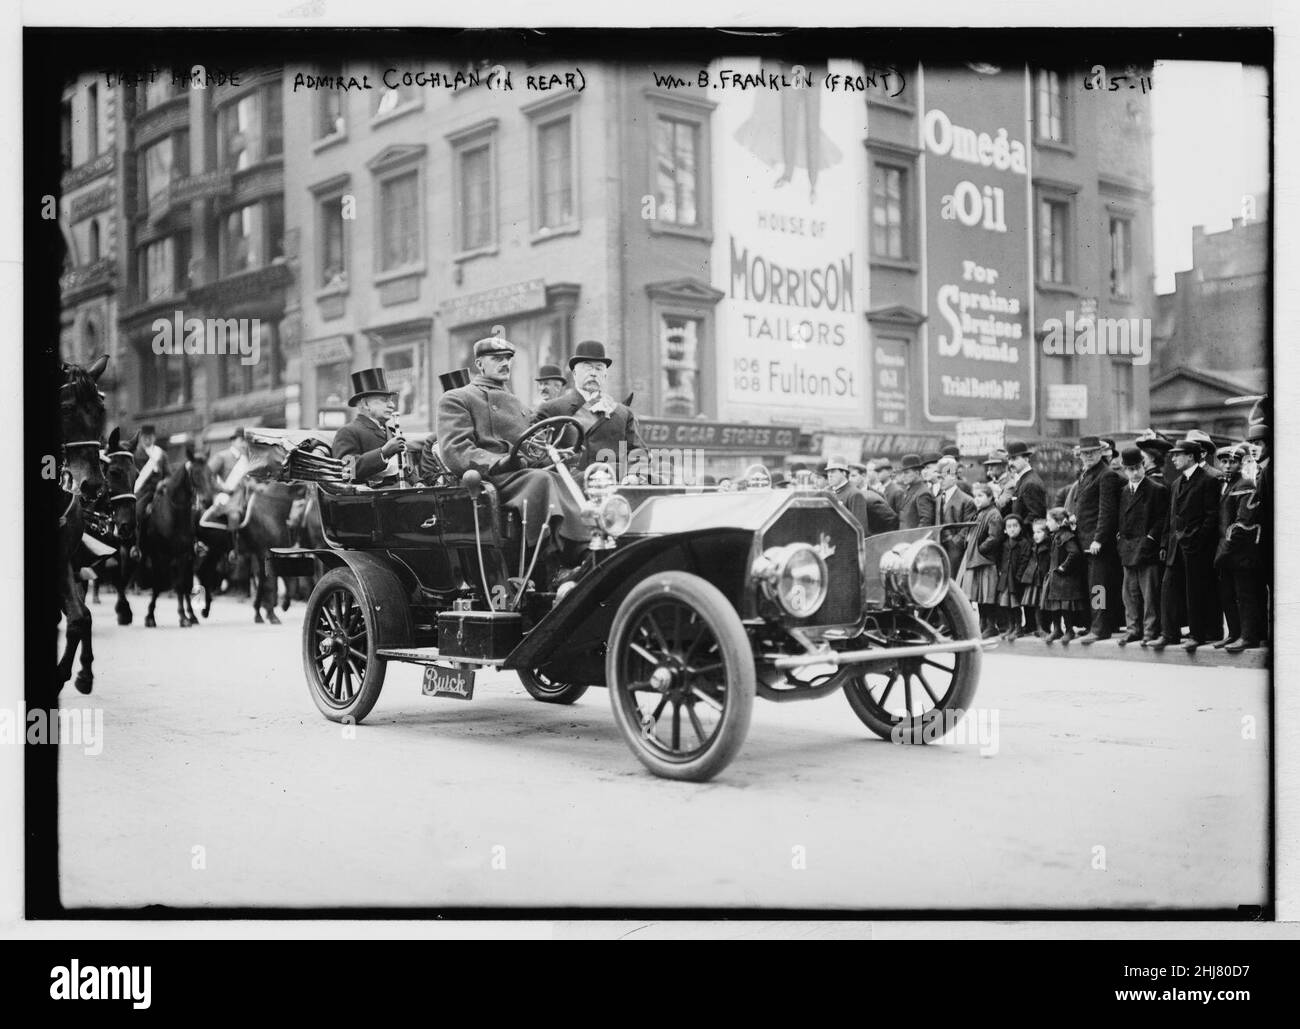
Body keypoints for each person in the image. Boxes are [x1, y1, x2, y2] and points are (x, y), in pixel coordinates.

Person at [438, 336, 590, 575]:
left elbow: (533, 449)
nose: (505, 363)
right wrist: (501, 461)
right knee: (540, 481)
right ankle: (553, 564)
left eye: (508, 358)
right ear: (480, 364)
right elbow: (455, 451)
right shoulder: (459, 398)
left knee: (578, 479)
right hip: (491, 479)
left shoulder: (519, 404)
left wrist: (558, 456)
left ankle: (587, 550)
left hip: (519, 475)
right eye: (497, 358)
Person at [534, 340, 646, 476]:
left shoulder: (623, 413)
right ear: (574, 374)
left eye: (599, 368)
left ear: (605, 376)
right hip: (568, 489)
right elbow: (535, 456)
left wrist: (633, 475)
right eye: (588, 368)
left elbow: (638, 454)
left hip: (613, 487)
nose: (593, 373)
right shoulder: (550, 409)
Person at [1151, 438, 1222, 651]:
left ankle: (1196, 635)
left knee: (1195, 591)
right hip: (1175, 546)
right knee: (1169, 589)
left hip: (1195, 548)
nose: (1173, 459)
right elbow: (1170, 518)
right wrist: (1164, 543)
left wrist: (1196, 540)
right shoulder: (1176, 483)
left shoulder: (1208, 480)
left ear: (1190, 456)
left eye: (1177, 454)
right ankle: (1169, 634)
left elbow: (1211, 517)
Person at [1073, 435, 1124, 643]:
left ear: (1101, 452)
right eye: (1085, 453)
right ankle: (1097, 624)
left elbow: (1107, 512)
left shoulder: (1105, 475)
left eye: (1092, 452)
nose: (1088, 456)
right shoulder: (1087, 474)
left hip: (1096, 543)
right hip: (1085, 539)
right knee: (1094, 584)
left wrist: (1099, 539)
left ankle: (1100, 628)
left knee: (1098, 586)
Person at [1116, 445, 1169, 646]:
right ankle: (1133, 629)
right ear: (1124, 469)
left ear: (1144, 466)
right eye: (1130, 469)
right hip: (1128, 548)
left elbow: (1162, 518)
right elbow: (1119, 519)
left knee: (1149, 594)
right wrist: (1119, 539)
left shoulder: (1157, 489)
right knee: (1129, 594)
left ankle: (1149, 630)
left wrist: (1151, 538)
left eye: (1137, 467)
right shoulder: (1122, 492)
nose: (1134, 472)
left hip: (1147, 549)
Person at [1213, 444, 1263, 652]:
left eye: (1232, 462)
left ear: (1240, 463)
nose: (1227, 466)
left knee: (1244, 595)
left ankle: (1248, 636)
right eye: (1224, 462)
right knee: (1227, 595)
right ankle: (1233, 633)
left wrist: (1224, 551)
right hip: (1225, 553)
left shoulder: (1245, 484)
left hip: (1240, 553)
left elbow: (1242, 524)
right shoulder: (1225, 485)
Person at [332, 368, 408, 485]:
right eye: (384, 400)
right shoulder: (347, 431)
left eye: (391, 401)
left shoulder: (393, 433)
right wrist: (383, 452)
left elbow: (404, 468)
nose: (392, 405)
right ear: (365, 404)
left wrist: (418, 482)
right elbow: (347, 470)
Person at [958, 483, 1004, 638]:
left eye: (981, 496)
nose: (977, 499)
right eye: (975, 496)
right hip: (975, 560)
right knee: (979, 595)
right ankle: (982, 624)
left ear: (990, 497)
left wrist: (980, 549)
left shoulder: (993, 514)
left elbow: (994, 537)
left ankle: (991, 625)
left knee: (987, 596)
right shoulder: (979, 513)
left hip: (985, 561)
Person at [1042, 506, 1086, 644]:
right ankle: (1057, 630)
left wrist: (1063, 567)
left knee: (1065, 606)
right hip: (1055, 577)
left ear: (1059, 522)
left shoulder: (1066, 536)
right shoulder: (1055, 535)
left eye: (1049, 520)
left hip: (1064, 579)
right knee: (1054, 605)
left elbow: (1074, 553)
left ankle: (1069, 630)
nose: (1047, 523)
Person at [826, 457, 897, 535]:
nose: (830, 475)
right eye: (828, 472)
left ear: (844, 473)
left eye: (833, 472)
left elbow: (859, 527)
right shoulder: (828, 491)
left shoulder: (854, 493)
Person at [995, 513, 1032, 638]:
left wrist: (1019, 576)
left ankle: (1018, 627)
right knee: (1006, 604)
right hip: (1005, 579)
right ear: (1005, 530)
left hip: (1016, 579)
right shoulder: (1004, 544)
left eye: (1015, 526)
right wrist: (1001, 571)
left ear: (1020, 527)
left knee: (1015, 604)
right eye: (1009, 526)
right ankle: (1010, 627)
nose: (1012, 529)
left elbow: (1025, 560)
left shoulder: (1024, 543)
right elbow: (999, 560)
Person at [935, 456, 975, 572]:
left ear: (953, 477)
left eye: (943, 477)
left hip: (956, 552)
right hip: (939, 549)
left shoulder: (966, 501)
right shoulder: (937, 499)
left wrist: (954, 542)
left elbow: (968, 527)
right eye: (938, 478)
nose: (940, 481)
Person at [1004, 439, 1048, 525]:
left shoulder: (1030, 483)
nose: (1010, 463)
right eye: (1009, 459)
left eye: (1014, 458)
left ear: (1026, 459)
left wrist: (1019, 531)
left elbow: (1036, 516)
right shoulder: (1023, 480)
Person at [1021, 518, 1052, 637]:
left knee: (1044, 605)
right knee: (1036, 605)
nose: (1035, 535)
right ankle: (1039, 627)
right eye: (1034, 532)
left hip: (1043, 579)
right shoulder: (1034, 546)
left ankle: (1046, 627)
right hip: (1034, 579)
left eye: (1039, 532)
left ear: (1046, 533)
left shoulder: (1048, 547)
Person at [896, 453, 937, 529]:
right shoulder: (909, 489)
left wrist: (916, 539)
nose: (903, 476)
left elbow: (926, 522)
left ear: (917, 473)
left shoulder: (923, 493)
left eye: (906, 472)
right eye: (902, 473)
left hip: (914, 539)